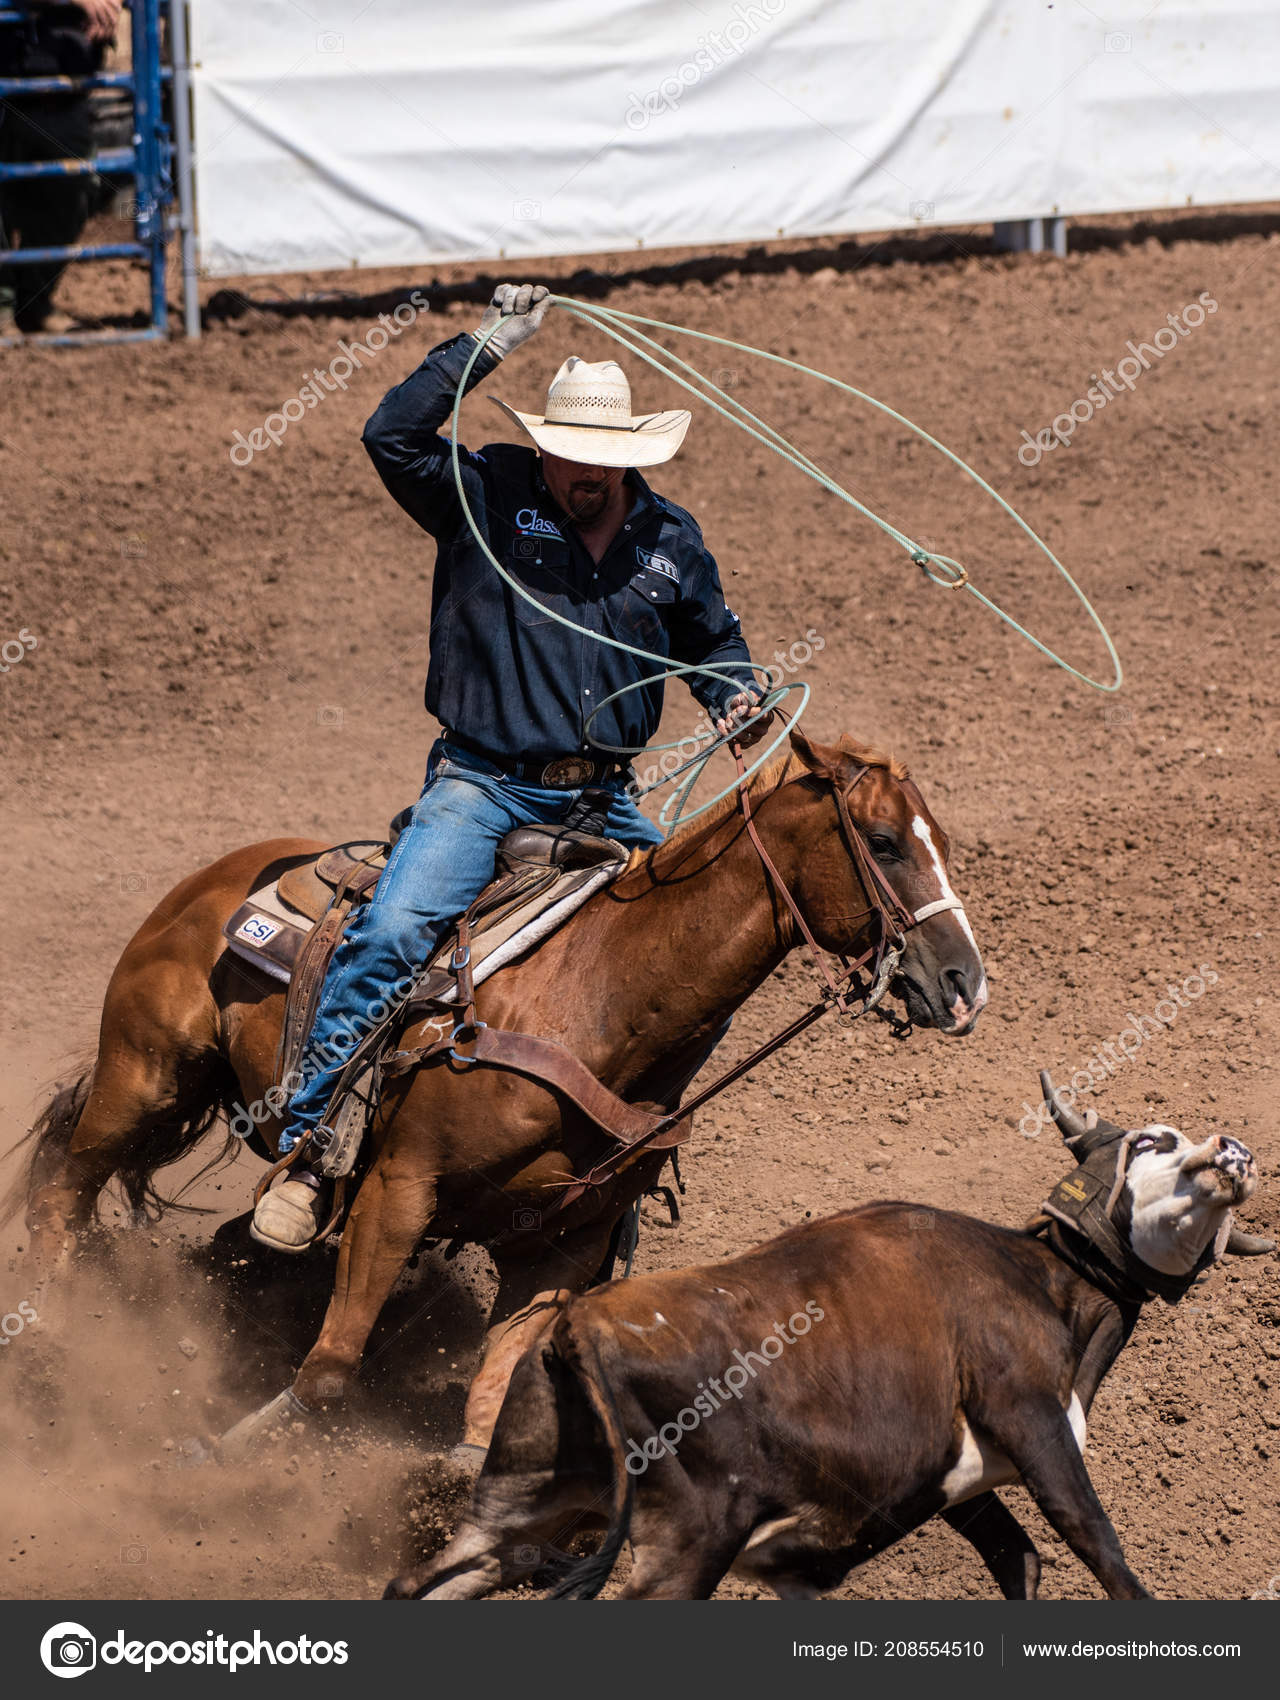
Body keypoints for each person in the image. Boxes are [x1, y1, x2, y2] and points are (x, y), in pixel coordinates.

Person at [252, 282, 766, 1252]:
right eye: (573, 452)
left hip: (604, 799)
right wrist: (484, 341)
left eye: (605, 457)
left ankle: (610, 1159)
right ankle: (314, 1147)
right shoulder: (483, 495)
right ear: (543, 445)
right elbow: (389, 435)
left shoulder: (668, 542)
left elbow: (713, 644)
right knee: (397, 926)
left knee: (697, 944)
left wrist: (735, 700)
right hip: (483, 785)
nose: (588, 472)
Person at [0, 0, 121, 335]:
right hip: (11, 65)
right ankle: (2, 308)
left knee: (72, 191)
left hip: (64, 76)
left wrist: (111, 5)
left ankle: (34, 304)